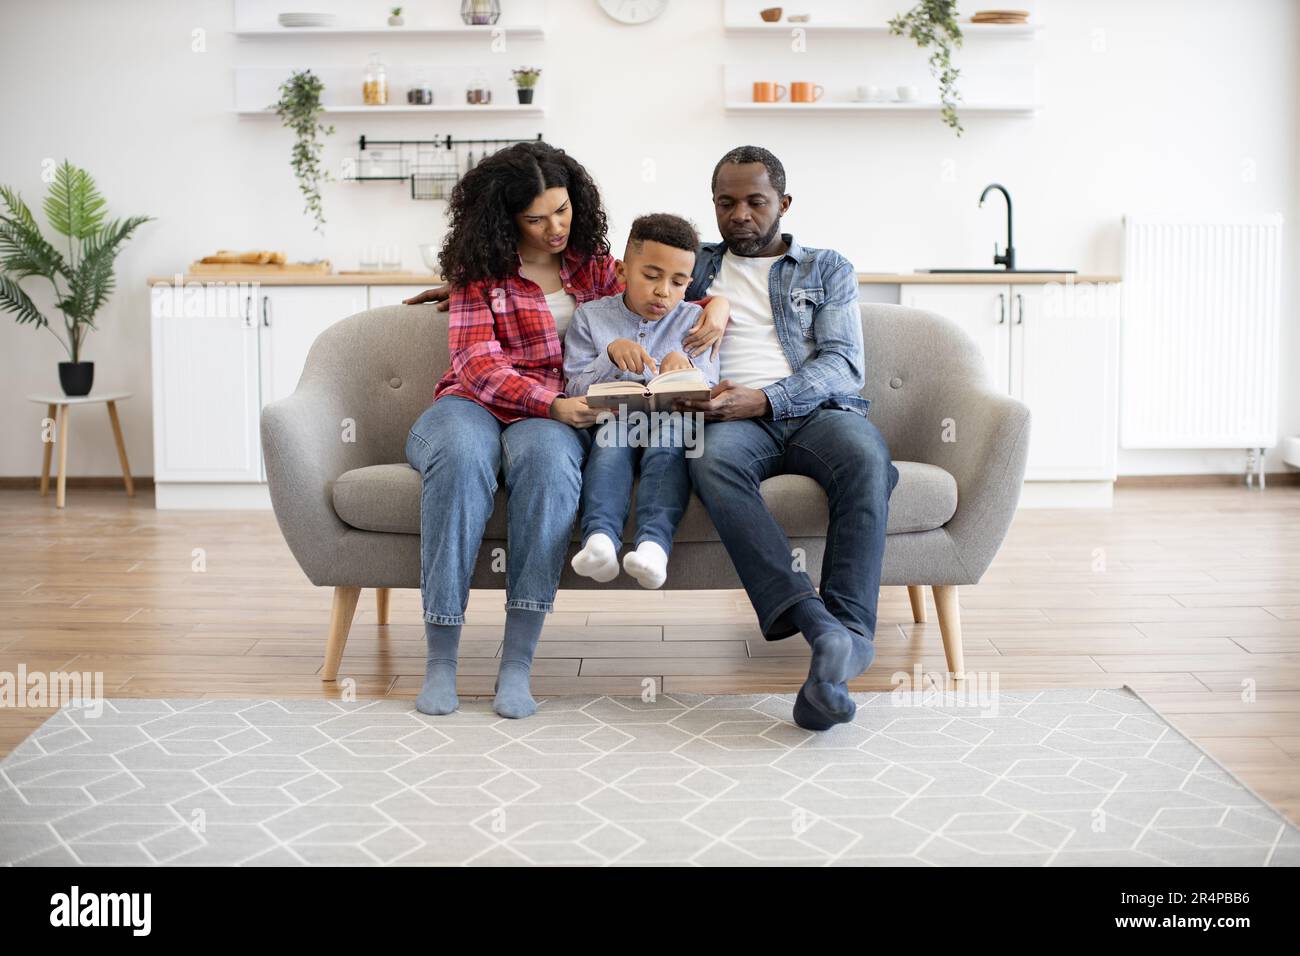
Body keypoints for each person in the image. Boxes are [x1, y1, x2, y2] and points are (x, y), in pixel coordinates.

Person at [403, 141, 728, 720]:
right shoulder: (479, 271)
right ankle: (441, 661)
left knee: (552, 467)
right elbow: (477, 364)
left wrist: (718, 305)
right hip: (478, 401)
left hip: (558, 413)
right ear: (504, 219)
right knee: (458, 456)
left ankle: (517, 664)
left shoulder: (594, 266)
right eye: (536, 218)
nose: (555, 227)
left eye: (563, 210)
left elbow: (664, 291)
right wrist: (547, 402)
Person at [674, 145, 900, 732]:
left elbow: (844, 364)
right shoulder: (690, 264)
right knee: (708, 462)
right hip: (729, 420)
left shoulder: (826, 267)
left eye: (755, 201)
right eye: (726, 203)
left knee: (867, 459)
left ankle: (847, 634)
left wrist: (769, 397)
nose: (740, 215)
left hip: (817, 411)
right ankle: (823, 629)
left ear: (784, 203)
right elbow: (598, 287)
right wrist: (469, 288)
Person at [563, 213, 721, 589]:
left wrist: (685, 370)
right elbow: (573, 389)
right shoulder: (590, 318)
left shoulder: (696, 321)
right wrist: (609, 356)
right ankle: (600, 541)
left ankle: (653, 547)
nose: (663, 291)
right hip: (616, 418)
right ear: (621, 271)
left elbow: (710, 388)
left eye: (678, 282)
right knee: (611, 444)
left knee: (671, 443)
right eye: (651, 276)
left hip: (675, 421)